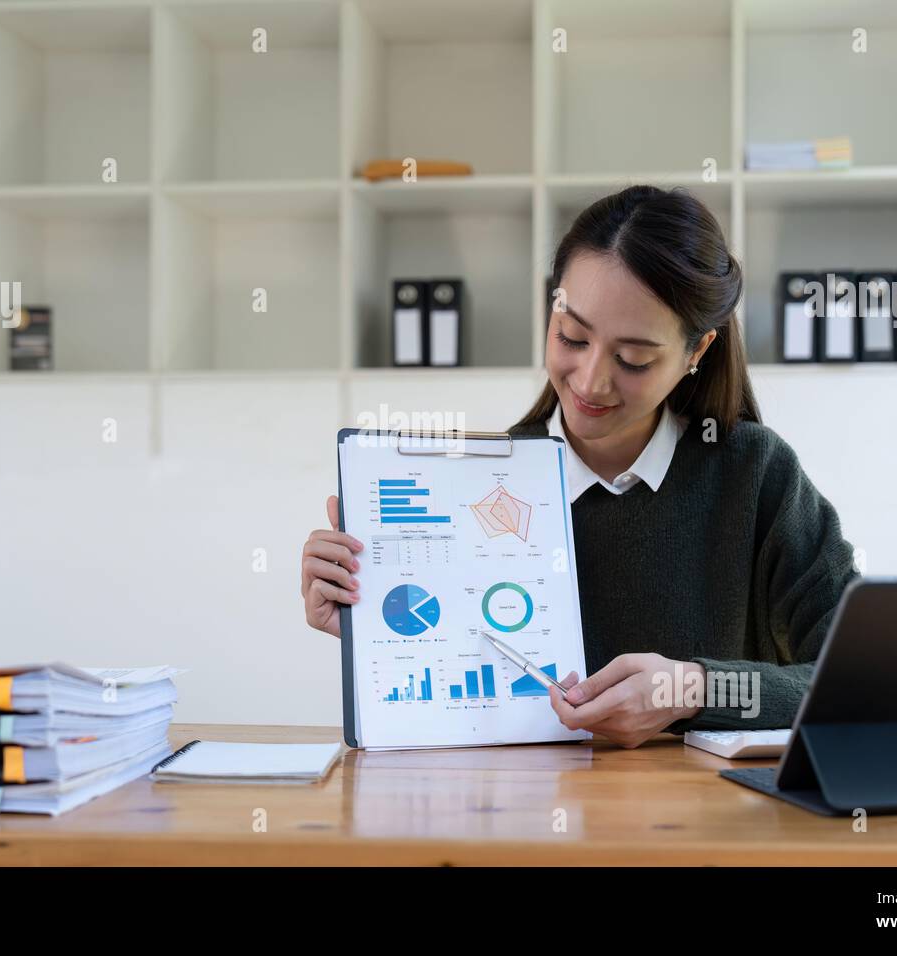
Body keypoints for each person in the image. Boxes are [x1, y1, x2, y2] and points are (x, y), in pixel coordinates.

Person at [301, 185, 857, 748]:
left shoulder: (755, 476)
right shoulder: (473, 485)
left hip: (703, 828)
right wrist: (367, 630)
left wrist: (693, 690)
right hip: (521, 820)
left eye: (633, 358)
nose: (590, 381)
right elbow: (443, 704)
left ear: (696, 352)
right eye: (572, 336)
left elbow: (864, 681)